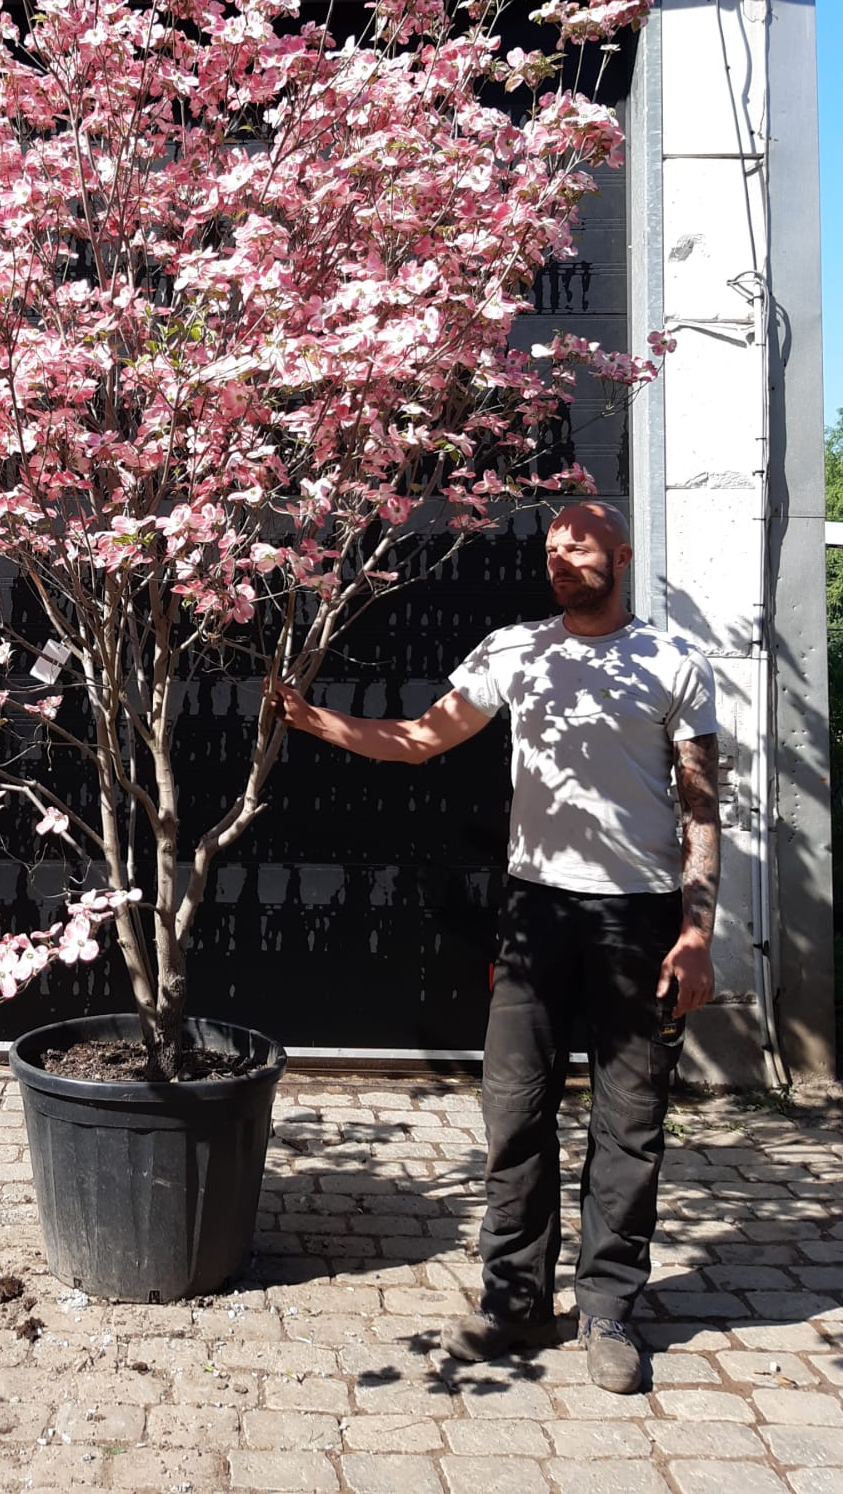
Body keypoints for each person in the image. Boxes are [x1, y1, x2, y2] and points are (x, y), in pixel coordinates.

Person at [271, 501, 720, 1395]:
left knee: (629, 1120)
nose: (561, 559)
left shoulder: (675, 662)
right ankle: (515, 1297)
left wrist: (699, 929)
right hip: (537, 914)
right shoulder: (516, 648)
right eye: (551, 548)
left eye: (579, 546)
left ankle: (608, 1308)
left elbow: (703, 807)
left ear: (621, 555)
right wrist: (314, 720)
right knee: (515, 1111)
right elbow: (422, 740)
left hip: (639, 917)